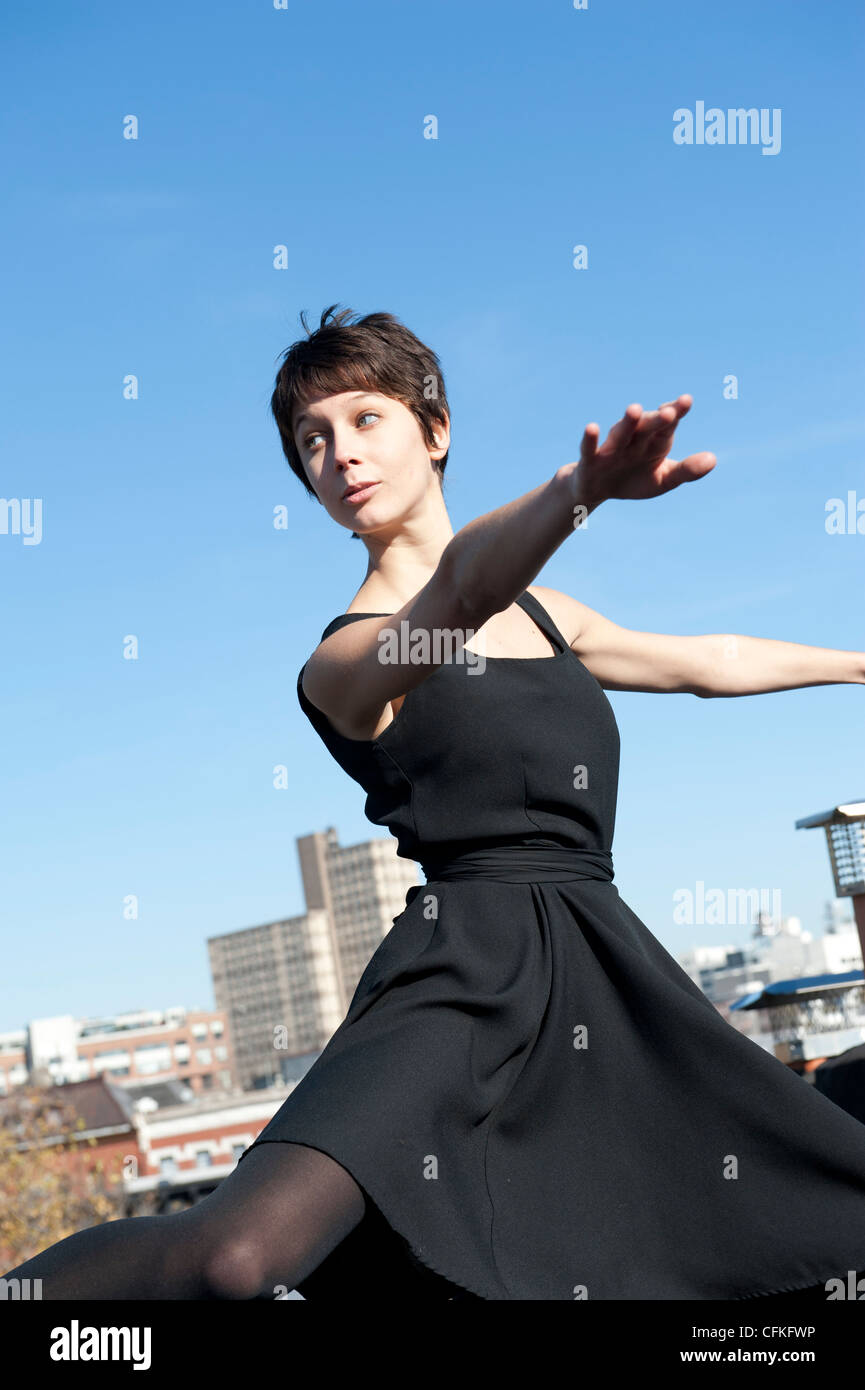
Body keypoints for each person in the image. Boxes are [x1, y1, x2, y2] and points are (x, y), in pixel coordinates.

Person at [5, 305, 865, 1302]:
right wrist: (580, 490)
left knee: (784, 1209)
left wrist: (854, 665)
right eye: (311, 442)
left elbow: (703, 662)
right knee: (237, 1260)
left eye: (365, 419)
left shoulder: (548, 612)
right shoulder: (349, 656)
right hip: (460, 974)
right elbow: (454, 592)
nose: (339, 455)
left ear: (435, 428)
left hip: (599, 967)